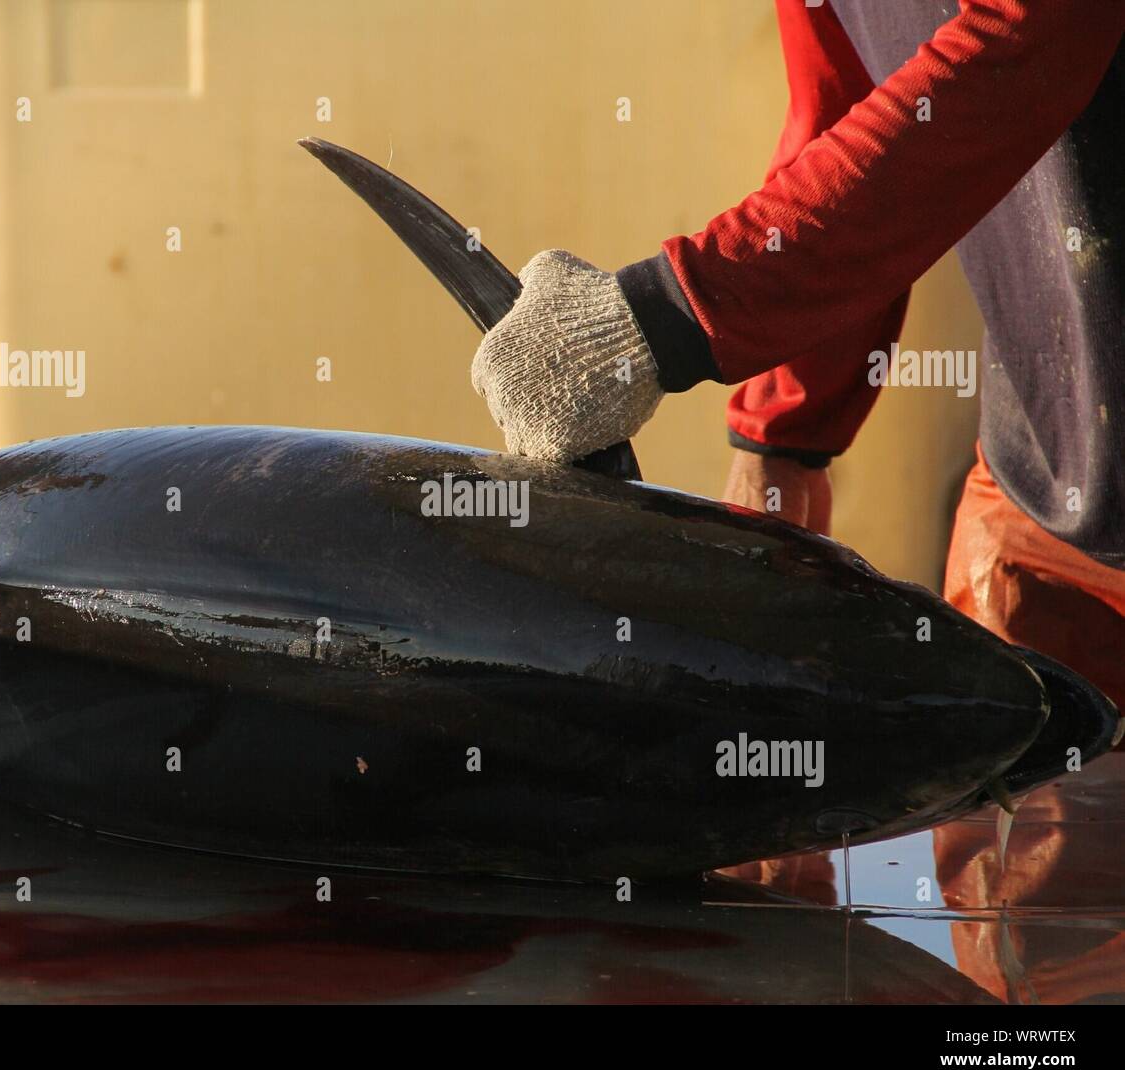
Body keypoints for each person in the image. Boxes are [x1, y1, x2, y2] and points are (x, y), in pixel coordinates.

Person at [469, 0, 1125, 709]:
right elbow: (845, 111)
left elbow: (1039, 32)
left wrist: (666, 316)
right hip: (1046, 468)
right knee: (1004, 792)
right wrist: (782, 435)